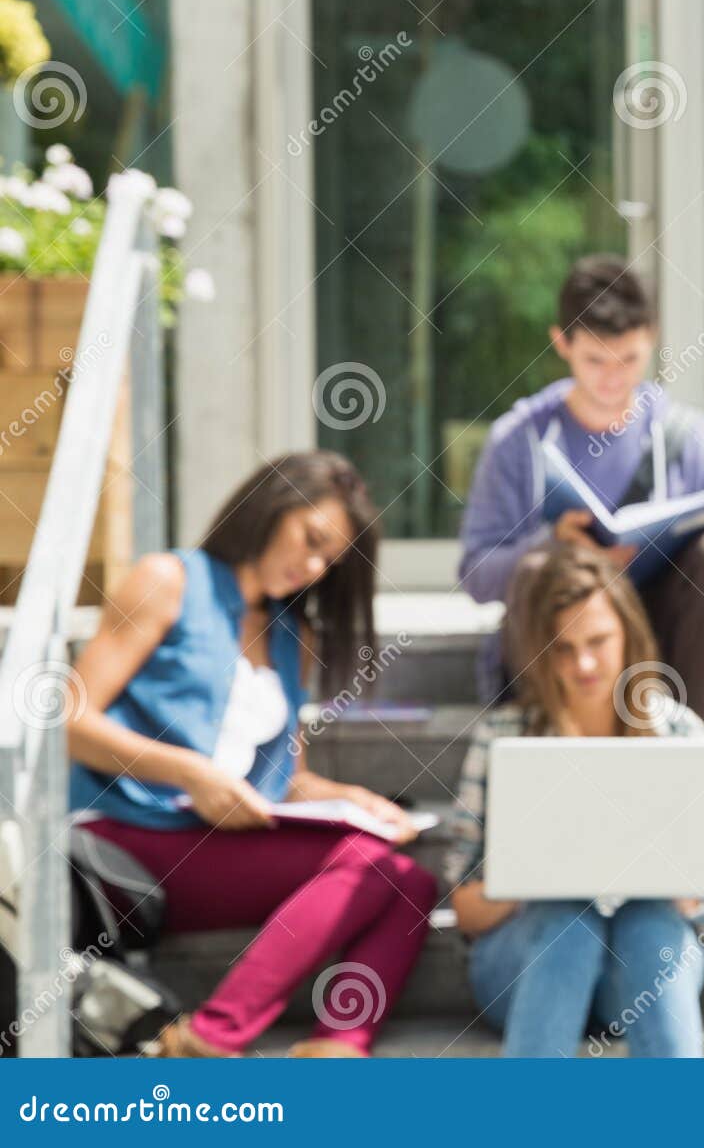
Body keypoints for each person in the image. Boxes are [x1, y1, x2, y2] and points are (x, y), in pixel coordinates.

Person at [66, 452, 436, 1058]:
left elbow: (283, 779)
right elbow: (72, 723)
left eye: (328, 560)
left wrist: (359, 802)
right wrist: (190, 771)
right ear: (272, 503)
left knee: (409, 878)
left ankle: (338, 1045)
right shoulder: (167, 582)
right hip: (129, 836)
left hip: (218, 847)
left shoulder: (293, 636)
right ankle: (209, 1039)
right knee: (369, 866)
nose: (312, 567)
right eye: (310, 539)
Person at [445, 545, 704, 1058]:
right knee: (568, 916)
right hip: (523, 970)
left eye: (598, 641)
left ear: (628, 635)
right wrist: (533, 875)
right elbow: (465, 908)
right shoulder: (506, 736)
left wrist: (673, 882)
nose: (583, 663)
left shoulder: (677, 732)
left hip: (633, 979)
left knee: (652, 920)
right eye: (563, 649)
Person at [458, 254, 704, 717]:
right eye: (596, 360)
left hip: (660, 635)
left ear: (651, 340)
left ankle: (684, 736)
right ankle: (550, 734)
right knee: (537, 570)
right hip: (560, 630)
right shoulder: (517, 439)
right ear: (562, 343)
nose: (614, 378)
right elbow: (476, 574)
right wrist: (551, 546)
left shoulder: (687, 432)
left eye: (630, 359)